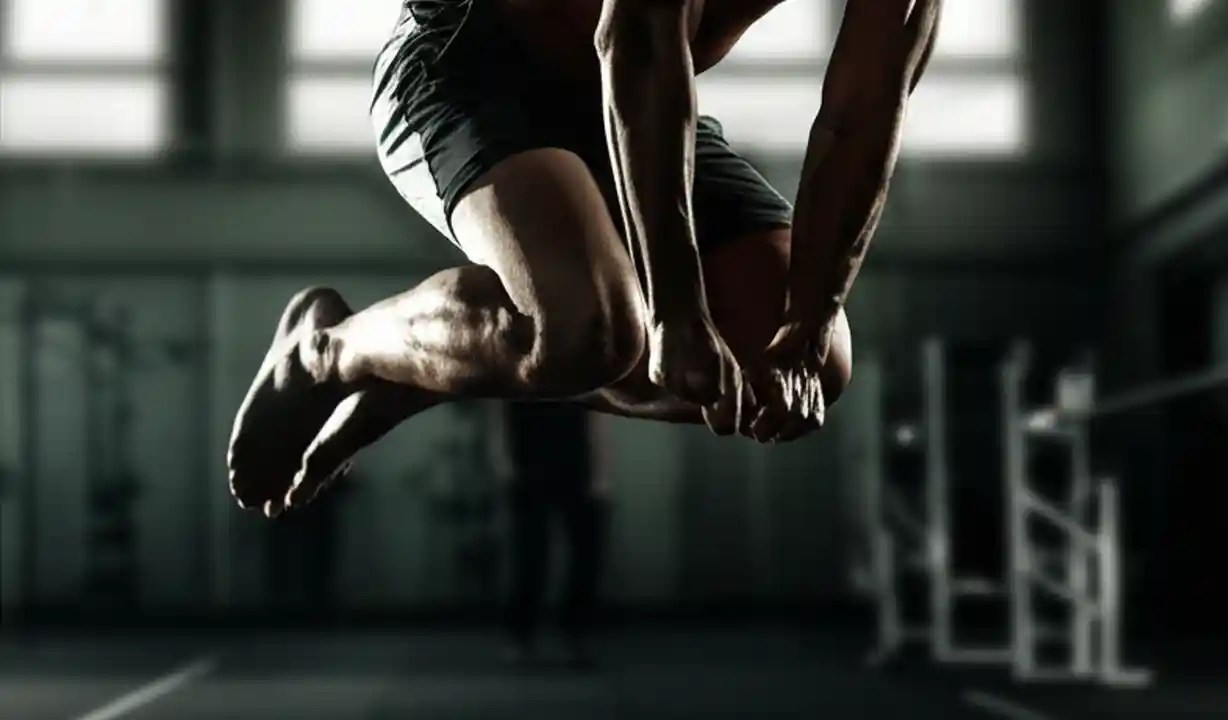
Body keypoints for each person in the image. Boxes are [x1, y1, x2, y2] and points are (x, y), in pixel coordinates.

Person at [226, 0, 941, 517]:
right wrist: (677, 307)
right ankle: (325, 350)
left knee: (810, 359)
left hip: (633, 98)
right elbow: (634, 36)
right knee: (589, 332)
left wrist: (809, 326)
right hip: (472, 57)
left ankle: (436, 370)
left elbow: (862, 118)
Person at [501, 402, 606, 666]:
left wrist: (601, 472)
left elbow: (595, 419)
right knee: (530, 553)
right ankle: (523, 636)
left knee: (584, 553)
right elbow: (500, 414)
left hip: (573, 461)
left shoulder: (580, 370)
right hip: (530, 463)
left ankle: (575, 634)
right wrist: (504, 461)